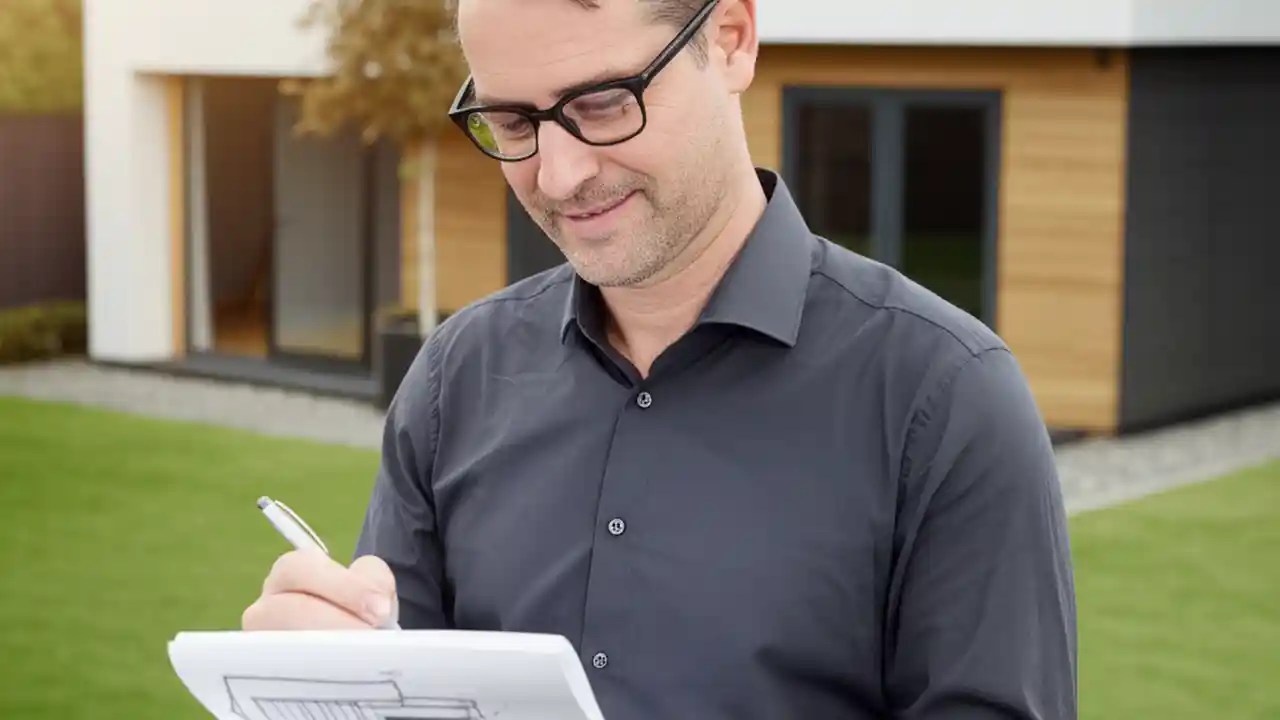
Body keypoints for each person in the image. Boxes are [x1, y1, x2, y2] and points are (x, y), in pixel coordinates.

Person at [241, 0, 1079, 717]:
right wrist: (331, 676)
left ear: (732, 38)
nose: (561, 175)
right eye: (513, 123)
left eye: (603, 104)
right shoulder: (453, 380)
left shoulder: (947, 401)